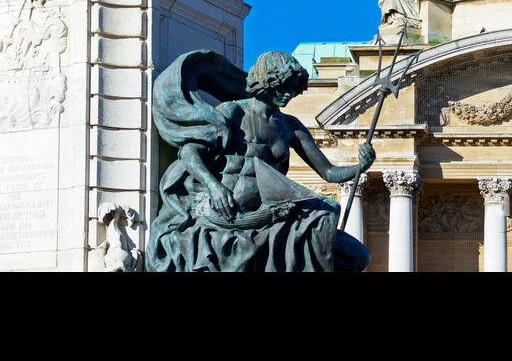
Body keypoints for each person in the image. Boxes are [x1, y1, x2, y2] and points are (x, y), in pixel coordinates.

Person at [148, 50, 374, 271]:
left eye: (292, 88)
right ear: (265, 82)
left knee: (354, 252)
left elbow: (329, 173)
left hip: (272, 213)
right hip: (224, 214)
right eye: (282, 87)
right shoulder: (233, 112)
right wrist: (214, 186)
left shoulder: (291, 126)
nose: (288, 94)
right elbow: (189, 153)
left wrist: (361, 166)